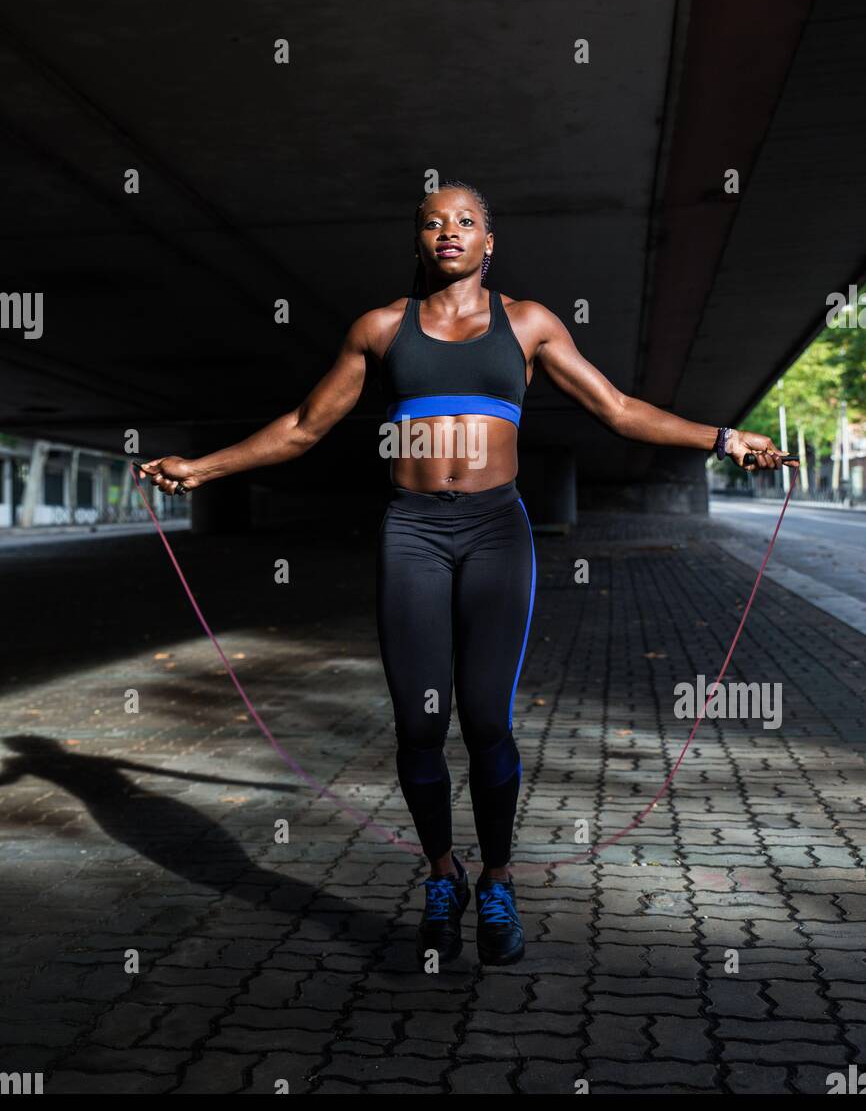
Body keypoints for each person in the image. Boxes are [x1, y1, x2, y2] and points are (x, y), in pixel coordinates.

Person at [137, 179, 785, 967]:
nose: (450, 231)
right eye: (434, 222)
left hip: (494, 534)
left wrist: (724, 439)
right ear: (419, 242)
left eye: (466, 221)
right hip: (412, 534)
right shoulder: (379, 330)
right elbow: (305, 427)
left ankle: (499, 879)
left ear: (489, 242)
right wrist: (201, 470)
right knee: (418, 724)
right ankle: (443, 873)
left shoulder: (529, 324)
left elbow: (616, 408)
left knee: (486, 721)